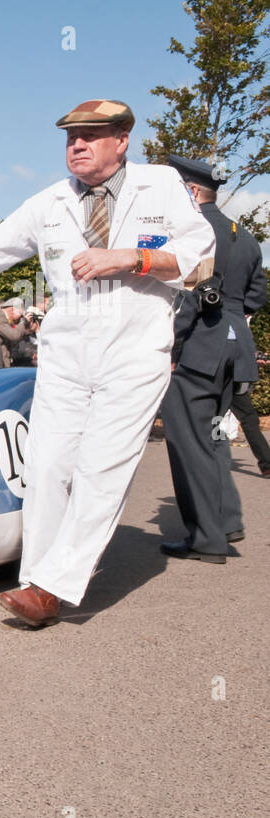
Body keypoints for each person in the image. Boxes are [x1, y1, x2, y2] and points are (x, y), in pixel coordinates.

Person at [0, 98, 216, 627]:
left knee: (102, 469)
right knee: (48, 467)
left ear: (122, 139)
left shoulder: (161, 186)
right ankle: (37, 578)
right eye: (70, 137)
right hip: (66, 354)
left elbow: (203, 259)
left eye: (92, 135)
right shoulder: (50, 202)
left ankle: (52, 588)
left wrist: (132, 258)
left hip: (134, 351)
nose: (77, 145)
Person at [159, 154, 265, 562]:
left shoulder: (197, 231)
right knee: (216, 437)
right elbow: (256, 296)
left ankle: (207, 538)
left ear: (190, 190)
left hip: (198, 347)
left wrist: (170, 343)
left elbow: (189, 294)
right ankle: (227, 520)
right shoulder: (245, 234)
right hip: (234, 347)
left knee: (188, 442)